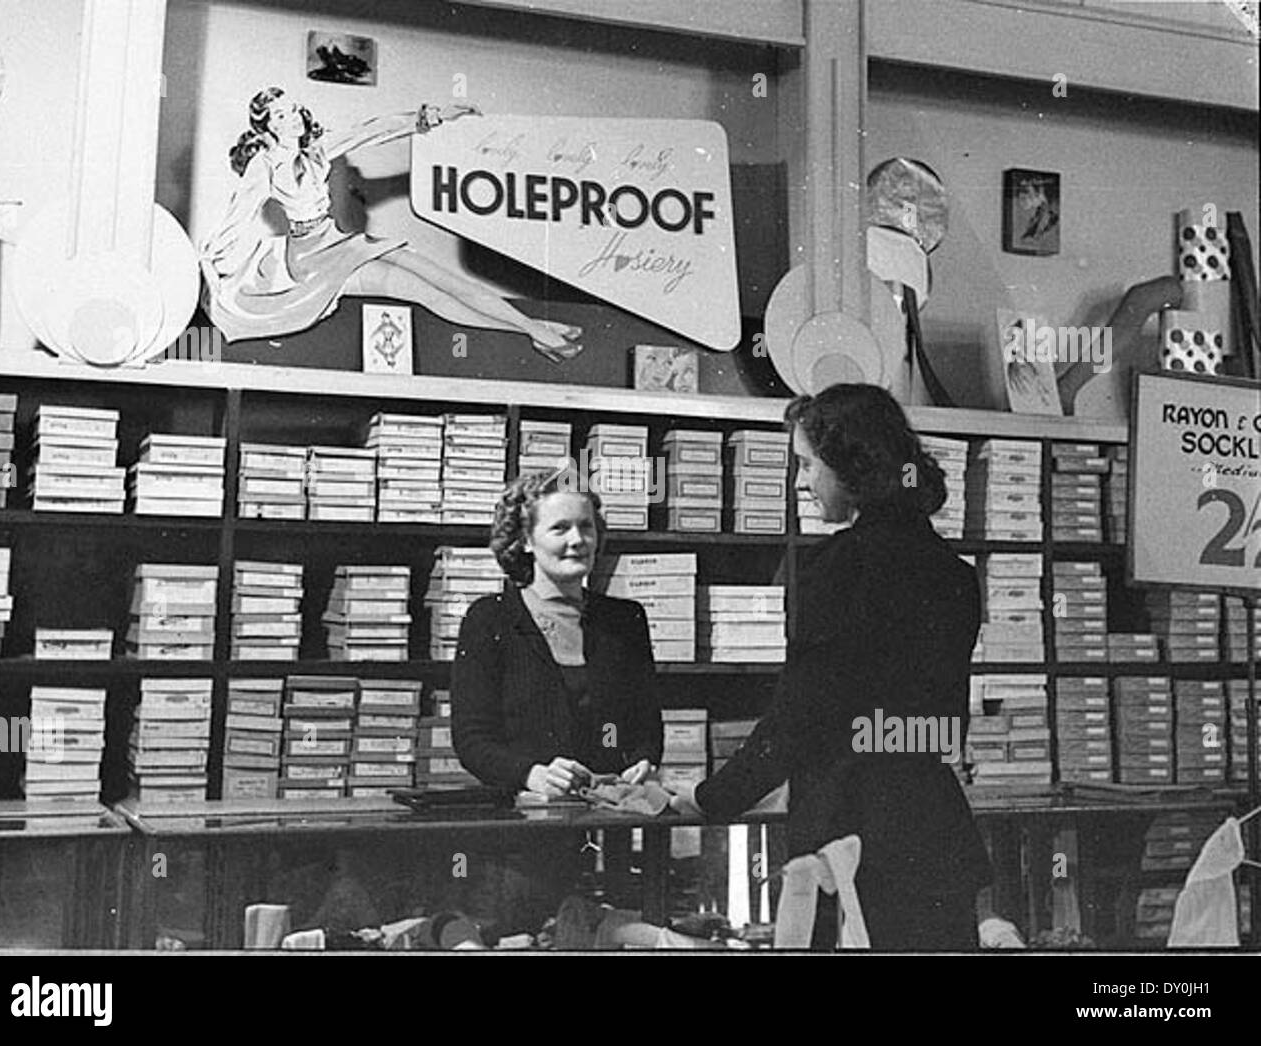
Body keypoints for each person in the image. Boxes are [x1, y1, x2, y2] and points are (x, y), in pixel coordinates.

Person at [670, 383, 992, 950]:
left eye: (807, 464)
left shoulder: (837, 568)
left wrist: (708, 797)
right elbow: (936, 728)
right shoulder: (955, 573)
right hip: (935, 838)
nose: (801, 481)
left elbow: (798, 720)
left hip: (854, 853)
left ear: (852, 466)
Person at [200, 87, 583, 363]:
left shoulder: (318, 148)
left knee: (439, 283)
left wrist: (430, 117)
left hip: (341, 241)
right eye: (280, 115)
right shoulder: (263, 166)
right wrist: (206, 259)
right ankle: (535, 330)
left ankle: (533, 328)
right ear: (266, 127)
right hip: (312, 260)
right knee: (427, 290)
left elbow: (373, 129)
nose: (292, 118)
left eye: (293, 109)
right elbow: (237, 216)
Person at [449, 469, 664, 931]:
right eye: (560, 528)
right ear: (525, 539)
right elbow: (471, 739)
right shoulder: (490, 620)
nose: (577, 540)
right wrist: (532, 773)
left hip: (612, 844)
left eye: (586, 527)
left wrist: (642, 761)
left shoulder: (624, 620)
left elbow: (646, 727)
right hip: (519, 850)